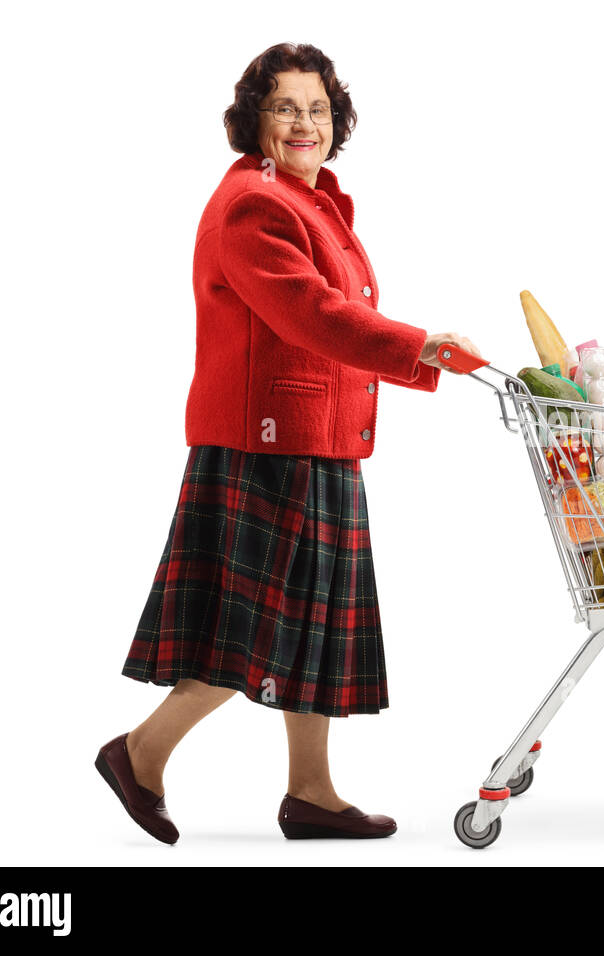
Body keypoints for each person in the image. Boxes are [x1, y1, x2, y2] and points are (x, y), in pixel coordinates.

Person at [95, 42, 480, 844]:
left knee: (308, 629)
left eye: (317, 109)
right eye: (285, 108)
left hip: (319, 438)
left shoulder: (312, 200)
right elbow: (312, 314)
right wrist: (423, 346)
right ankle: (139, 753)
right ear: (253, 120)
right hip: (266, 444)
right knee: (251, 635)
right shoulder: (253, 205)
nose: (305, 123)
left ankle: (311, 791)